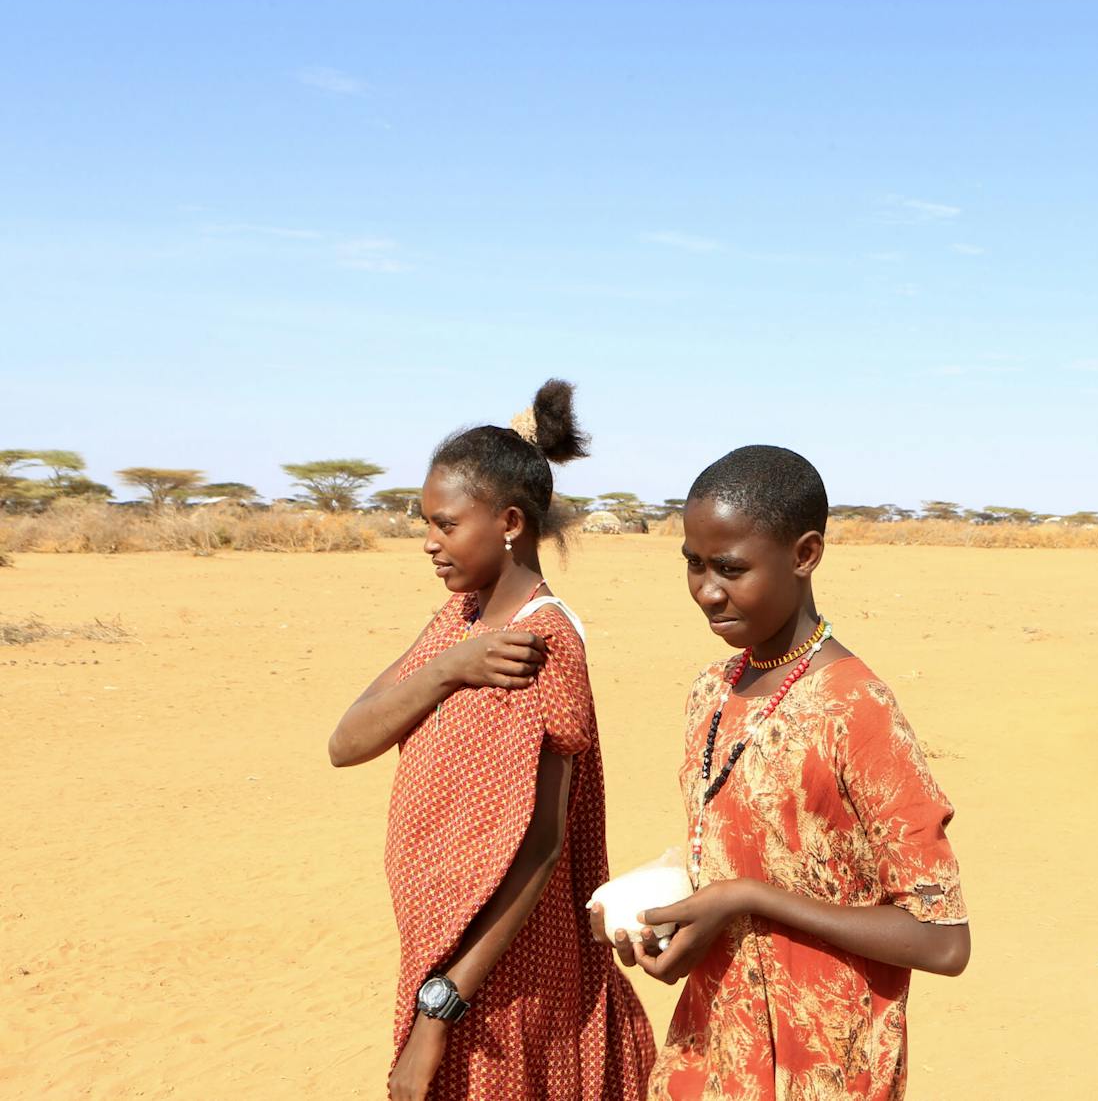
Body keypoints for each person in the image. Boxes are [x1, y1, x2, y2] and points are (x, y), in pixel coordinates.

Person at [596, 444, 969, 1100]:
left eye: (731, 568)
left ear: (804, 555)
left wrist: (745, 899)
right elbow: (739, 850)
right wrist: (670, 914)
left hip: (822, 1066)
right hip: (710, 1050)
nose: (706, 590)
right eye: (693, 563)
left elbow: (942, 941)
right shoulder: (711, 693)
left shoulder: (857, 710)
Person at [329, 379, 654, 1101]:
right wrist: (449, 669)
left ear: (509, 522)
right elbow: (347, 741)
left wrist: (439, 1010)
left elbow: (542, 848)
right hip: (438, 953)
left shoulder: (544, 644)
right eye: (426, 523)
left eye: (445, 524)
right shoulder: (461, 624)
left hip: (506, 980)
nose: (428, 542)